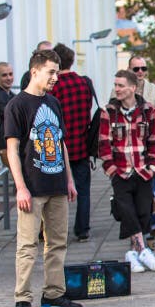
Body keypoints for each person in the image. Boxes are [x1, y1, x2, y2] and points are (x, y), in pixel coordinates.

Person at [4, 49, 81, 307]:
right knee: (27, 245)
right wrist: (21, 187)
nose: (55, 78)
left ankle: (53, 294)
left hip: (57, 183)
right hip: (33, 187)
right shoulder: (17, 105)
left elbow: (61, 143)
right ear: (35, 71)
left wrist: (69, 179)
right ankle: (22, 298)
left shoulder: (54, 103)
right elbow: (12, 149)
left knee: (58, 242)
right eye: (51, 72)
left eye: (57, 72)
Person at [98, 70, 155, 273]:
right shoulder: (108, 112)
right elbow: (104, 145)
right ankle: (143, 250)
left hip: (143, 171)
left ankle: (132, 254)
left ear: (132, 88)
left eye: (121, 85)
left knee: (143, 212)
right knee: (126, 211)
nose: (117, 89)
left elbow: (153, 141)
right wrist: (111, 170)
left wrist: (152, 167)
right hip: (121, 172)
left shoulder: (148, 111)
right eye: (115, 85)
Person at [50, 43, 94, 242]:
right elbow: (88, 111)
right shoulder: (84, 82)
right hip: (82, 144)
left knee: (59, 193)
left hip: (61, 147)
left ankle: (59, 230)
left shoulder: (55, 86)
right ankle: (82, 229)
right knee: (83, 191)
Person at [127, 56, 155, 243]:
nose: (140, 73)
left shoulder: (153, 89)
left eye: (143, 69)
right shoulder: (120, 88)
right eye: (136, 69)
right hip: (131, 148)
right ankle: (137, 229)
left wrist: (151, 130)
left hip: (153, 145)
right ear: (129, 69)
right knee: (134, 188)